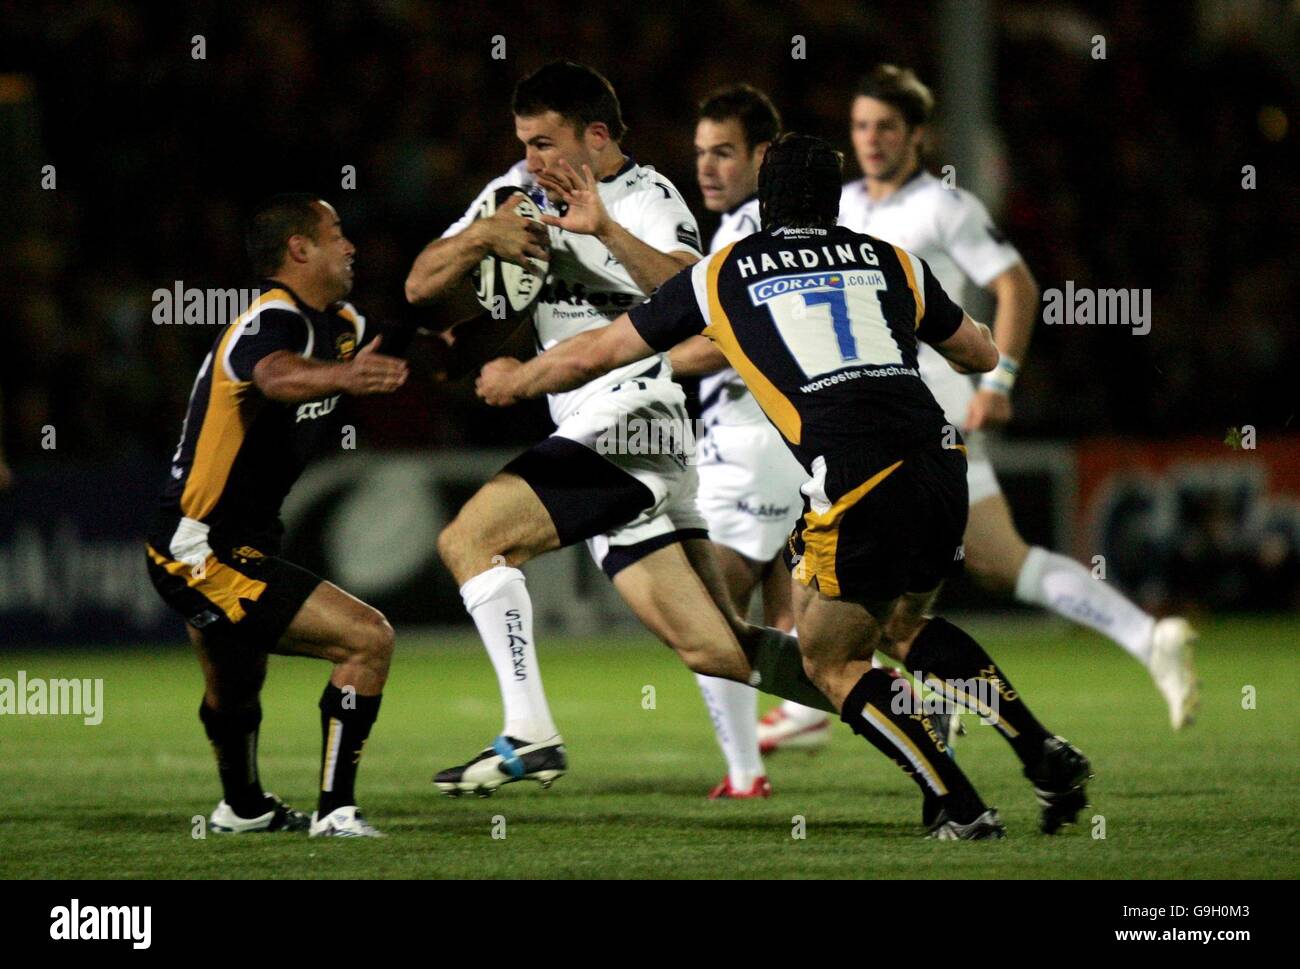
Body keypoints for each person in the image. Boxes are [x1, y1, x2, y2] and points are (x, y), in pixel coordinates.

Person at [476, 134, 1094, 838]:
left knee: (828, 661)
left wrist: (517, 377)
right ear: (834, 202)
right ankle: (1039, 748)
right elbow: (981, 350)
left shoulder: (727, 272)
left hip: (857, 477)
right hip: (940, 461)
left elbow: (598, 349)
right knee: (899, 625)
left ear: (765, 200)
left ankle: (960, 805)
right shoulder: (890, 260)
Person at [763, 66, 1197, 751]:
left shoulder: (943, 207)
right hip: (857, 410)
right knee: (982, 565)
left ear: (916, 136)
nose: (872, 140)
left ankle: (863, 691)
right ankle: (1136, 641)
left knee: (943, 575)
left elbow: (1016, 286)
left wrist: (1002, 382)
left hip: (930, 405)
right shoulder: (838, 204)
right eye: (862, 126)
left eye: (887, 127)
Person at [406, 60, 718, 796]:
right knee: (722, 647)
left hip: (636, 422)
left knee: (470, 540)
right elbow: (421, 285)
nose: (531, 160)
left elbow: (691, 298)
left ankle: (529, 733)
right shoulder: (512, 195)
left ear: (597, 137)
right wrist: (483, 233)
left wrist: (600, 229)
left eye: (546, 143)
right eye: (523, 143)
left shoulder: (648, 197)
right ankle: (897, 700)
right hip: (598, 435)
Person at [145, 194, 409, 837]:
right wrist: (346, 379)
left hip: (240, 540)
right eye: (336, 233)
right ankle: (337, 811)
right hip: (199, 547)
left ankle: (241, 808)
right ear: (300, 248)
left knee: (234, 687)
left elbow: (396, 352)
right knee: (368, 639)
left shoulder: (340, 322)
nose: (349, 246)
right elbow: (275, 377)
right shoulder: (271, 320)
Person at [673, 84, 807, 798]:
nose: (707, 167)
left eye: (723, 151)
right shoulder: (774, 223)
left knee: (707, 609)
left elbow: (724, 342)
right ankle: (881, 702)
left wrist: (641, 351)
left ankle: (748, 771)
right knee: (791, 618)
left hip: (750, 444)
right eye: (700, 153)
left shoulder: (749, 229)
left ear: (762, 155)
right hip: (773, 442)